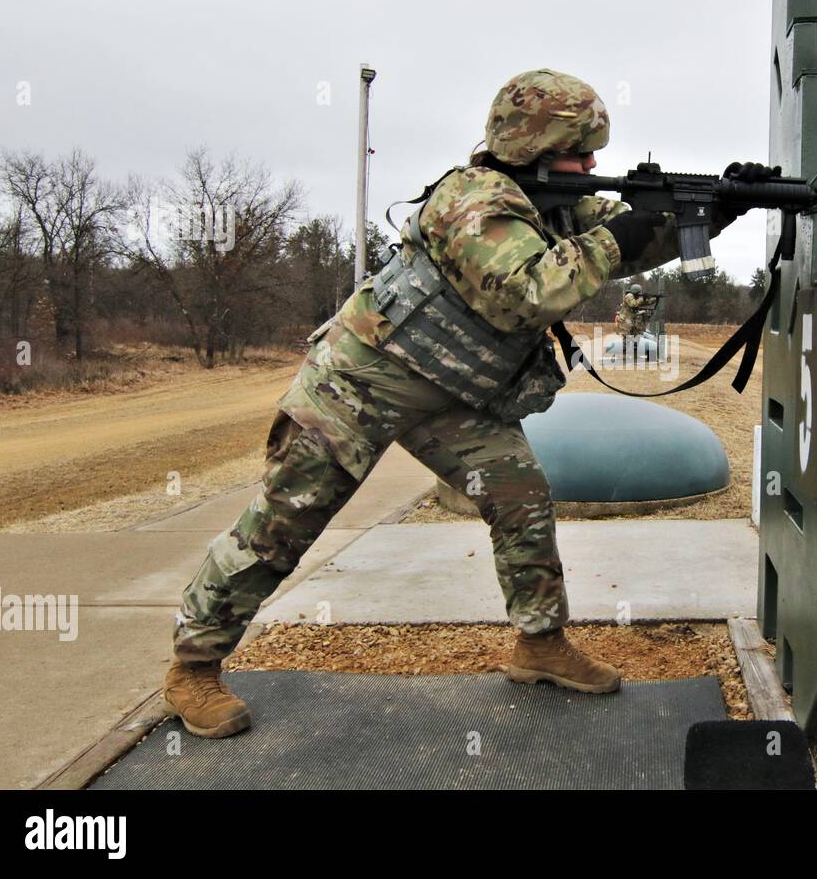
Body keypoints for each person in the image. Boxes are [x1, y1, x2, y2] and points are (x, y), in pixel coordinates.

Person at [162, 68, 773, 738]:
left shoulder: (555, 202)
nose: (592, 163)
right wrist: (618, 238)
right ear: (532, 143)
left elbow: (629, 238)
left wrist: (713, 209)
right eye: (578, 149)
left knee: (521, 497)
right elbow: (532, 289)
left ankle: (539, 644)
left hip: (448, 397)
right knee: (285, 523)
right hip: (359, 383)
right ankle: (193, 666)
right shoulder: (472, 201)